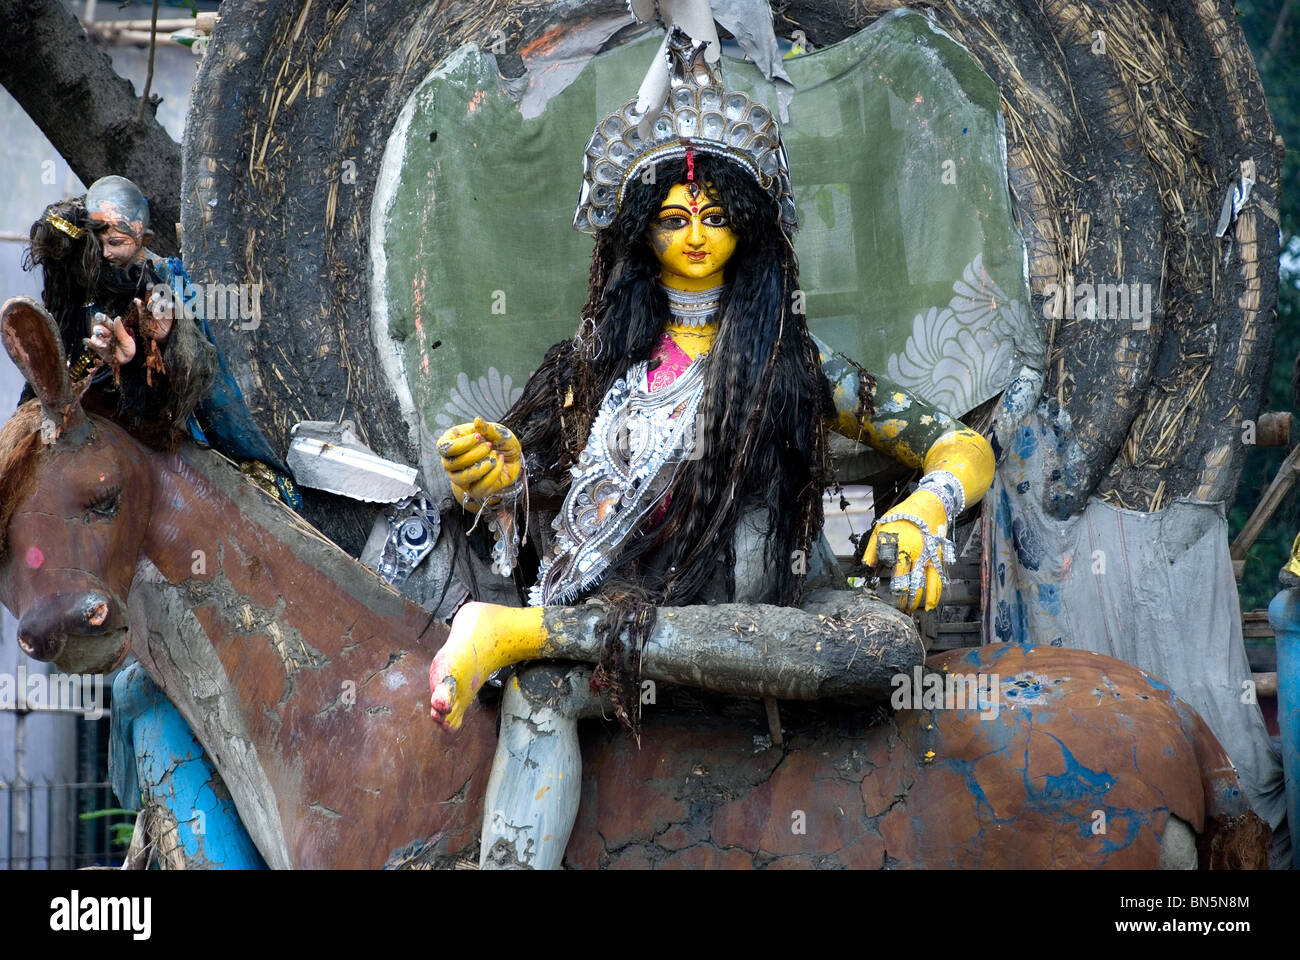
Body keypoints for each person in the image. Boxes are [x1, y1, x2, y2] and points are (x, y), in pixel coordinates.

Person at [427, 28, 996, 868]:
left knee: (884, 652)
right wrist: (504, 470)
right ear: (639, 234)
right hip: (623, 612)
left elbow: (958, 445)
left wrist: (926, 507)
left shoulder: (792, 364)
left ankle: (530, 630)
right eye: (673, 218)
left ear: (750, 230)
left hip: (768, 617)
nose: (695, 236)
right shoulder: (593, 360)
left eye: (716, 217)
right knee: (541, 697)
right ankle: (528, 641)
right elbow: (541, 468)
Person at [23, 177, 299, 506]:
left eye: (116, 242)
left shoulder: (161, 275)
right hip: (84, 420)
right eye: (100, 245)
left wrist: (164, 340)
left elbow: (204, 369)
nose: (107, 253)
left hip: (152, 421)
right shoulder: (79, 280)